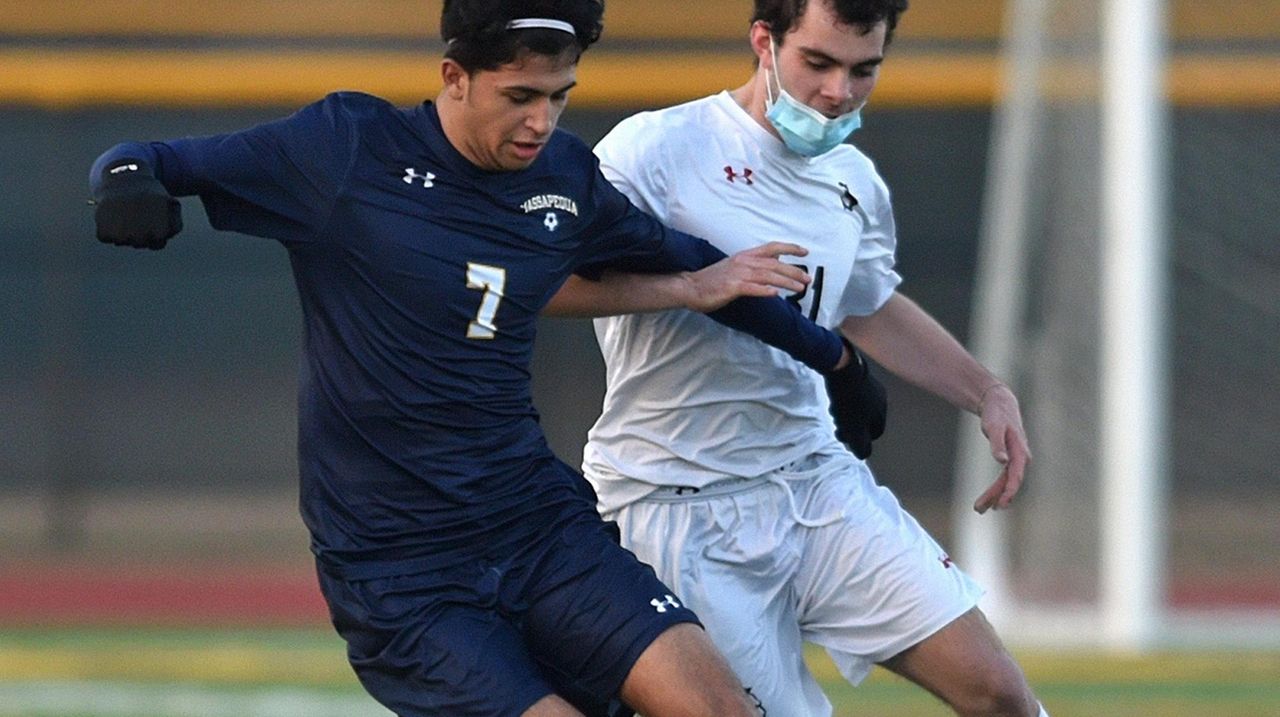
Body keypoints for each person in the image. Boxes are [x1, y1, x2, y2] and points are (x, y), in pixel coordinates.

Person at [87, 2, 871, 715]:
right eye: (520, 97)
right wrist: (125, 185)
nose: (542, 121)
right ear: (453, 78)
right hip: (399, 568)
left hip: (536, 524)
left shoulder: (564, 180)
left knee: (720, 708)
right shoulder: (347, 149)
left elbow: (710, 272)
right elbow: (148, 157)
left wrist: (835, 360)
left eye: (558, 95)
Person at [553, 0, 1051, 715]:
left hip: (815, 483)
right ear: (765, 41)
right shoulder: (655, 149)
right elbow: (553, 279)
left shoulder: (855, 182)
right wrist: (694, 285)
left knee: (1000, 691)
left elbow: (867, 303)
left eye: (862, 70)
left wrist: (986, 390)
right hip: (673, 504)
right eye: (818, 63)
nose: (838, 91)